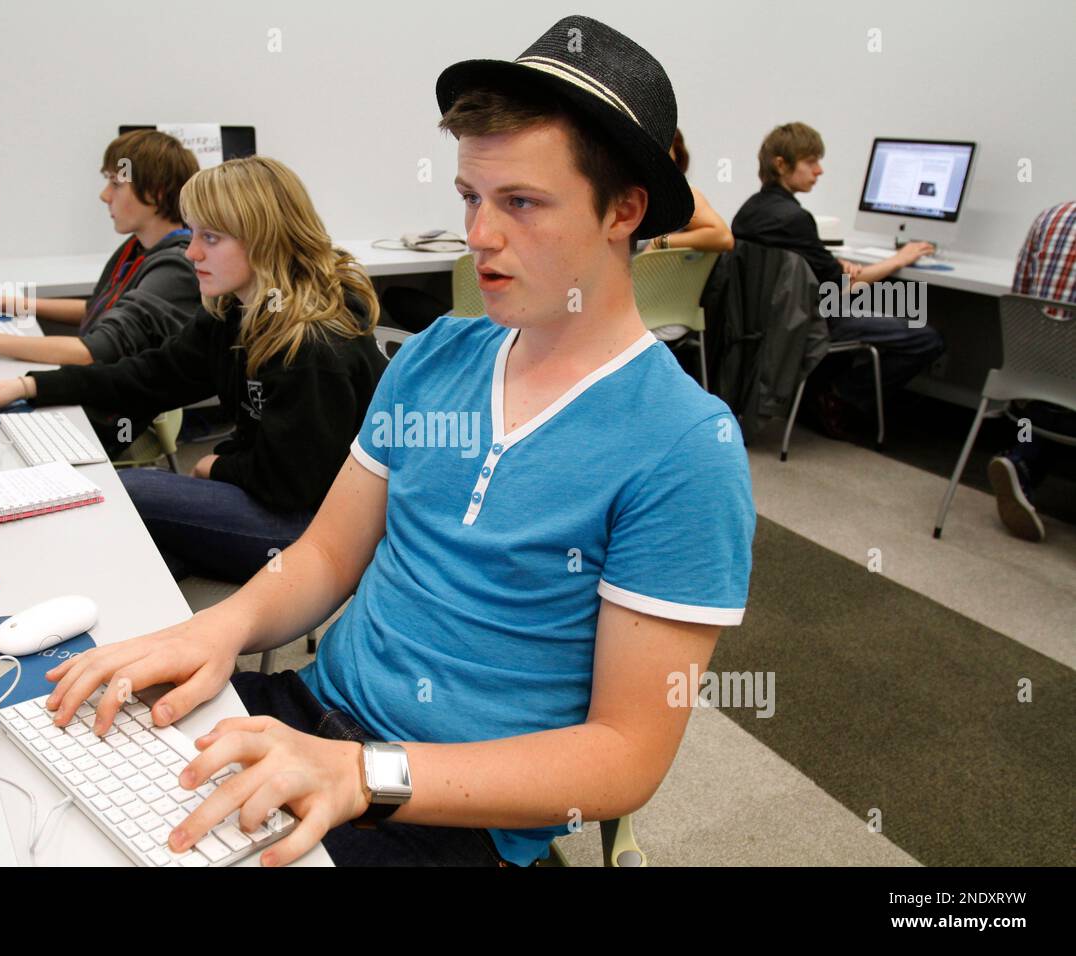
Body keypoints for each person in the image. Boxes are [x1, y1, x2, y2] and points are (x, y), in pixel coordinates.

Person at [39, 16, 755, 868]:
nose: (479, 234)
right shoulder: (439, 355)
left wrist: (363, 773)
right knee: (59, 787)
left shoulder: (684, 447)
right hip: (307, 715)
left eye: (520, 203)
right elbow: (327, 557)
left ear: (624, 211)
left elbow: (624, 758)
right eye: (469, 198)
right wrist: (216, 632)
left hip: (448, 810)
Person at [0, 157, 387, 582]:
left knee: (121, 493)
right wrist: (27, 386)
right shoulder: (231, 313)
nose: (192, 252)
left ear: (264, 238)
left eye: (210, 238)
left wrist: (214, 467)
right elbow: (146, 377)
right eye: (193, 233)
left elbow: (294, 486)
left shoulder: (312, 346)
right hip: (264, 493)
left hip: (316, 529)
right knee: (138, 546)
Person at [732, 122, 944, 436]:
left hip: (768, 321)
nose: (819, 171)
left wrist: (832, 265)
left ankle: (823, 396)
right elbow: (841, 289)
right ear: (781, 164)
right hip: (812, 320)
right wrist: (900, 260)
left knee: (882, 301)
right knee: (926, 336)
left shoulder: (748, 211)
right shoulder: (796, 219)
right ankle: (840, 396)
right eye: (811, 162)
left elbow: (797, 263)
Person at [0, 130, 200, 367]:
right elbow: (98, 309)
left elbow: (92, 352)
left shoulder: (175, 266)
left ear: (157, 193)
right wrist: (2, 303)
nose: (104, 195)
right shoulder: (138, 246)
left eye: (116, 184)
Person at [987, 200, 1076, 542]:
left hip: (1030, 376)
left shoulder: (1052, 216)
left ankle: (1021, 462)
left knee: (1047, 401)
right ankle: (1023, 462)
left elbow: (1020, 296)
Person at [642, 129, 733, 254]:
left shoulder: (678, 196)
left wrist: (660, 242)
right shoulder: (629, 192)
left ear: (676, 157)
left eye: (664, 150)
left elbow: (723, 237)